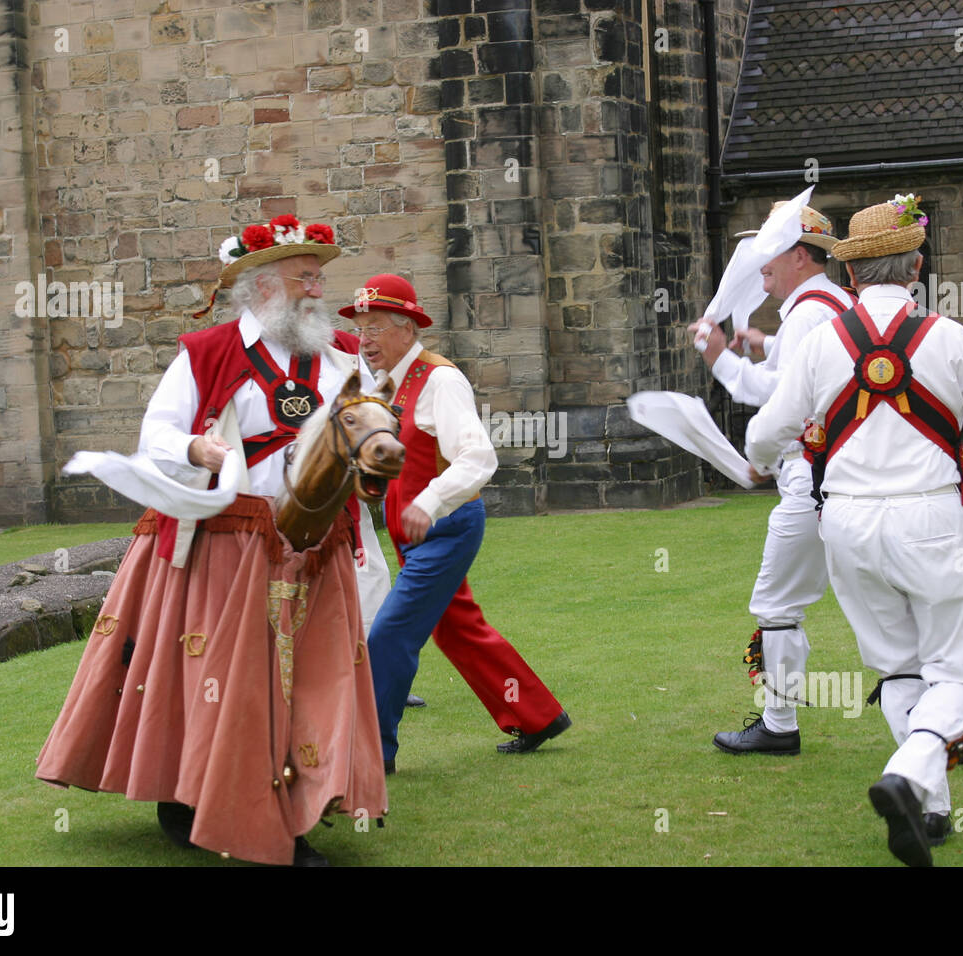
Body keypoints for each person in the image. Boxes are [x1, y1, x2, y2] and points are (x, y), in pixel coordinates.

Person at [37, 214, 390, 867]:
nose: (316, 288)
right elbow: (157, 437)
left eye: (318, 276)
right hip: (225, 544)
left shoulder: (341, 355)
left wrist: (371, 469)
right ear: (260, 288)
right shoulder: (206, 352)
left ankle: (301, 804)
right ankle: (195, 800)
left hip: (314, 546)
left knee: (311, 681)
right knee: (229, 683)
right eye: (302, 277)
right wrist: (196, 445)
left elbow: (372, 431)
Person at [743, 194, 963, 866]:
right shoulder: (947, 337)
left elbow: (763, 432)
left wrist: (760, 459)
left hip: (848, 525)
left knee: (897, 670)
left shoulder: (821, 341)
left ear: (852, 277)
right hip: (930, 519)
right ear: (915, 269)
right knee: (955, 677)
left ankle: (932, 810)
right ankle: (911, 770)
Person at [338, 274, 570, 772]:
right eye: (361, 330)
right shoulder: (385, 386)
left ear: (406, 328)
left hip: (446, 528)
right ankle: (537, 716)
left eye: (375, 327)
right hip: (415, 533)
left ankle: (373, 755)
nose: (365, 340)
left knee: (388, 635)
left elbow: (478, 458)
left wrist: (429, 502)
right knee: (458, 629)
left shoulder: (439, 379)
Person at [688, 203, 855, 756]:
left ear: (800, 256)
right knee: (902, 603)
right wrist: (764, 347)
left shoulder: (808, 313)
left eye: (769, 256)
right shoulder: (834, 304)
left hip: (814, 479)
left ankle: (779, 725)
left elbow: (775, 399)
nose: (758, 267)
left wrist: (719, 357)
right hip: (851, 475)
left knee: (778, 604)